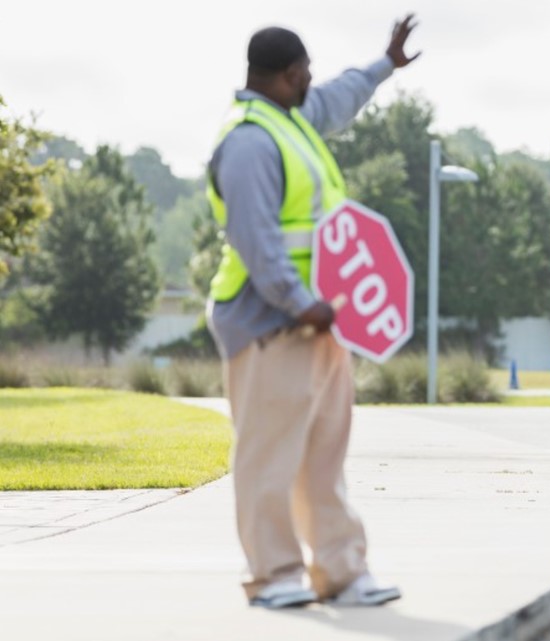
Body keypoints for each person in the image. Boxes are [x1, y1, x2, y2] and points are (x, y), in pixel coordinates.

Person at [205, 17, 419, 609]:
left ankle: (342, 574)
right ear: (285, 74)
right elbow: (257, 239)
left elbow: (340, 97)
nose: (311, 83)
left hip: (322, 322)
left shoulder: (292, 120)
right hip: (271, 323)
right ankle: (274, 576)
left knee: (324, 459)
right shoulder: (249, 140)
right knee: (268, 457)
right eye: (305, 73)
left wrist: (385, 64)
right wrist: (302, 304)